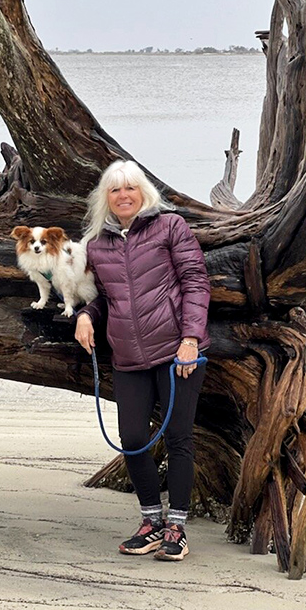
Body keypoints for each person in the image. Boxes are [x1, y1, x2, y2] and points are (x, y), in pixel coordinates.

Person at [75, 160, 210, 561]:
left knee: (178, 438)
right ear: (106, 198)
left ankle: (178, 528)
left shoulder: (170, 226)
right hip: (128, 356)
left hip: (176, 354)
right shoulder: (96, 244)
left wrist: (191, 339)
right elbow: (104, 297)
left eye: (130, 187)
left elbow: (195, 282)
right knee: (133, 440)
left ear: (143, 191)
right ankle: (151, 521)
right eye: (115, 190)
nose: (123, 195)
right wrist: (86, 315)